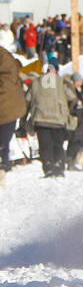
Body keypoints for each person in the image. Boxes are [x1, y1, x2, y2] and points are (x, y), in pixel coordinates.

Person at [25, 65, 77, 177]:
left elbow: (27, 100)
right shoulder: (61, 82)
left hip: (40, 118)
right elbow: (73, 98)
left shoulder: (35, 82)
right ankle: (59, 166)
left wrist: (25, 119)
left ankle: (48, 167)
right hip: (59, 119)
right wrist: (68, 110)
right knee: (58, 144)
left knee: (45, 145)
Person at [0, 29, 25, 179]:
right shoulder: (7, 57)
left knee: (3, 138)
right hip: (13, 108)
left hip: (6, 106)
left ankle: (4, 161)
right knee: (4, 139)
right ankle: (4, 161)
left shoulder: (4, 59)